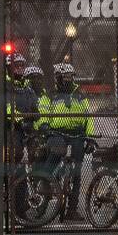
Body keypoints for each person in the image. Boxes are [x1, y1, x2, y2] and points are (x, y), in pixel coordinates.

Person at [36, 63, 95, 215]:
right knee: (56, 151)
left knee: (77, 171)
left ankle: (72, 210)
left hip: (77, 133)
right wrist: (44, 125)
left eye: (71, 76)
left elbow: (89, 117)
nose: (69, 79)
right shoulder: (49, 95)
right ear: (58, 78)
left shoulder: (80, 95)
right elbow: (42, 111)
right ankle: (45, 186)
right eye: (65, 76)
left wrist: (89, 137)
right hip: (56, 132)